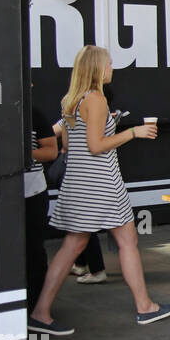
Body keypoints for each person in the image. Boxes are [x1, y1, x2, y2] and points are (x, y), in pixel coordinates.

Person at [30, 45, 170, 335]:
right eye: (108, 63)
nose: (112, 68)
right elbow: (96, 146)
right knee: (126, 241)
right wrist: (132, 132)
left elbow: (69, 144)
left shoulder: (71, 100)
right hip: (101, 183)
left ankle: (40, 312)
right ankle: (145, 307)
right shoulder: (96, 99)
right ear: (97, 68)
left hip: (79, 181)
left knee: (74, 245)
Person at [52, 116, 108, 283]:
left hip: (78, 171)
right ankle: (81, 264)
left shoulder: (75, 113)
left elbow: (58, 136)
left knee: (82, 222)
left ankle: (97, 270)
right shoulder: (93, 113)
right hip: (88, 169)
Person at [24, 97, 59, 311]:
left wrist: (19, 154)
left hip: (32, 192)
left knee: (34, 249)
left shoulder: (33, 113)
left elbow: (51, 151)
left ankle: (37, 306)